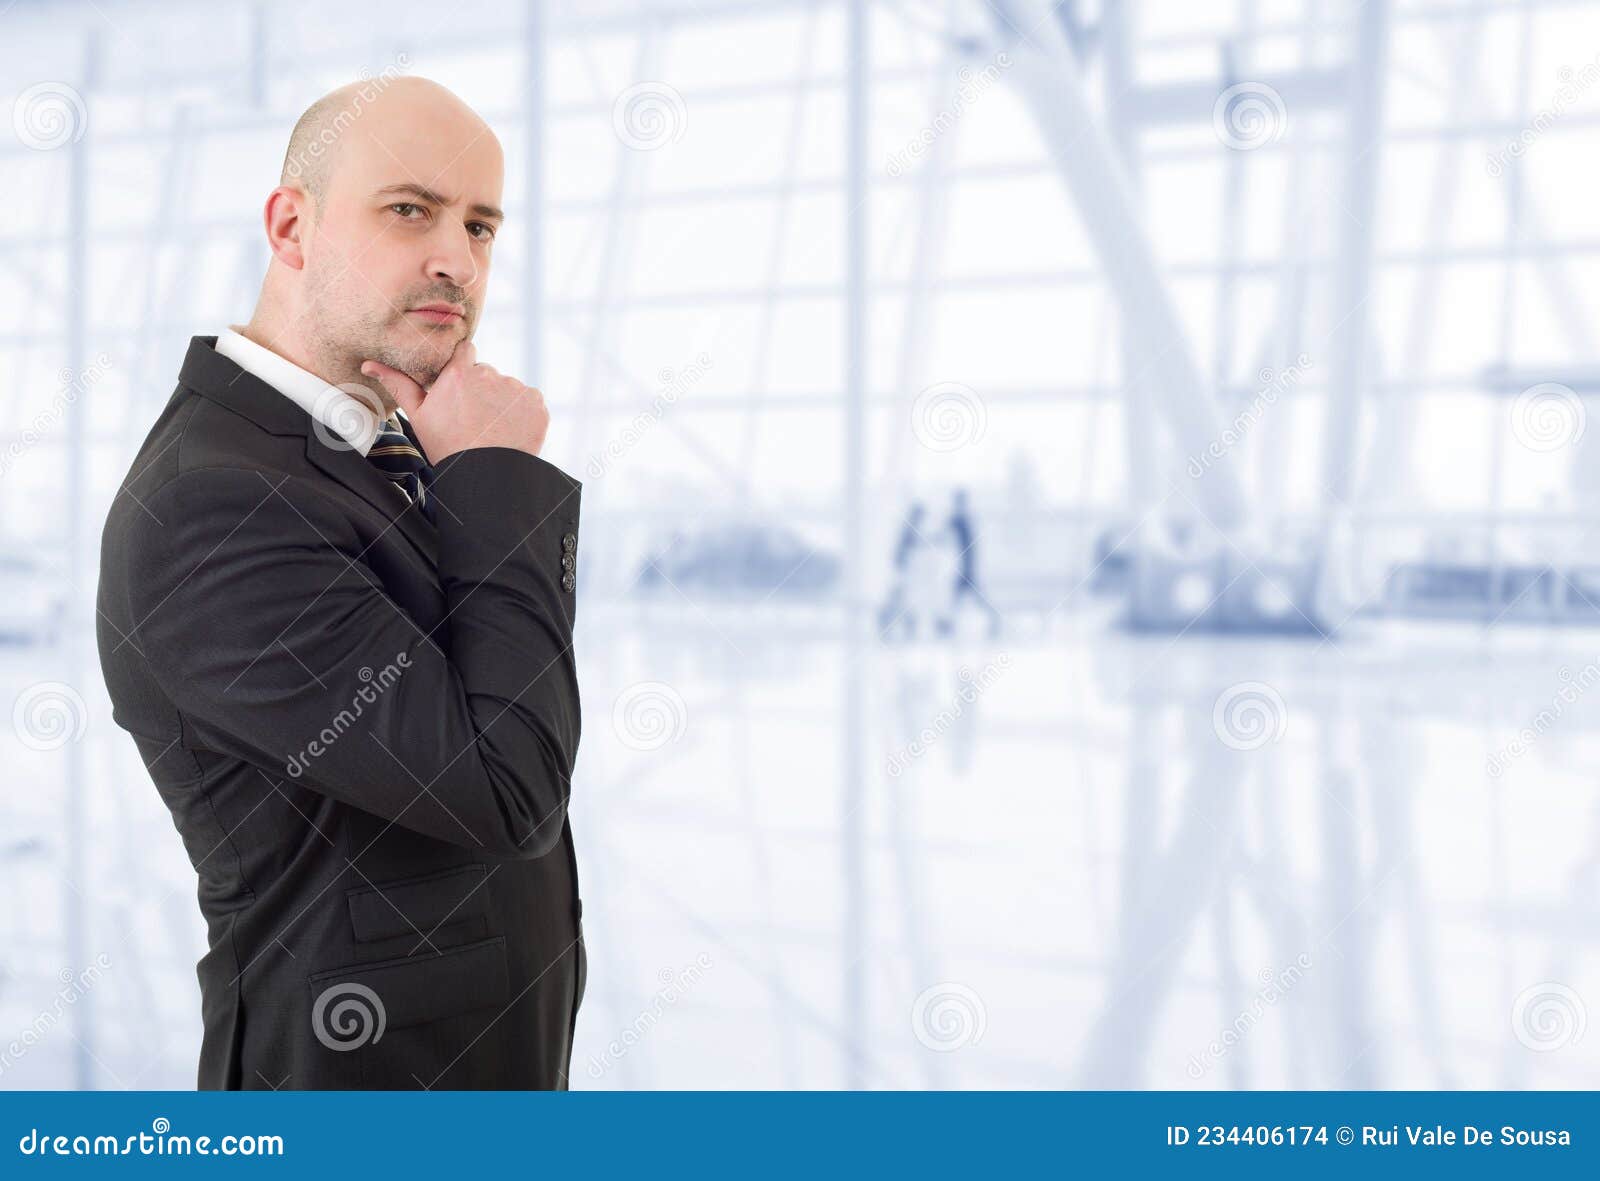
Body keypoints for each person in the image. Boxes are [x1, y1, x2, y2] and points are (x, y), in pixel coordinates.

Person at [95, 77, 585, 1089]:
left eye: (481, 224)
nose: (457, 257)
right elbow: (505, 787)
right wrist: (500, 483)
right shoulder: (212, 503)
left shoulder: (384, 450)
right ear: (291, 227)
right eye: (409, 210)